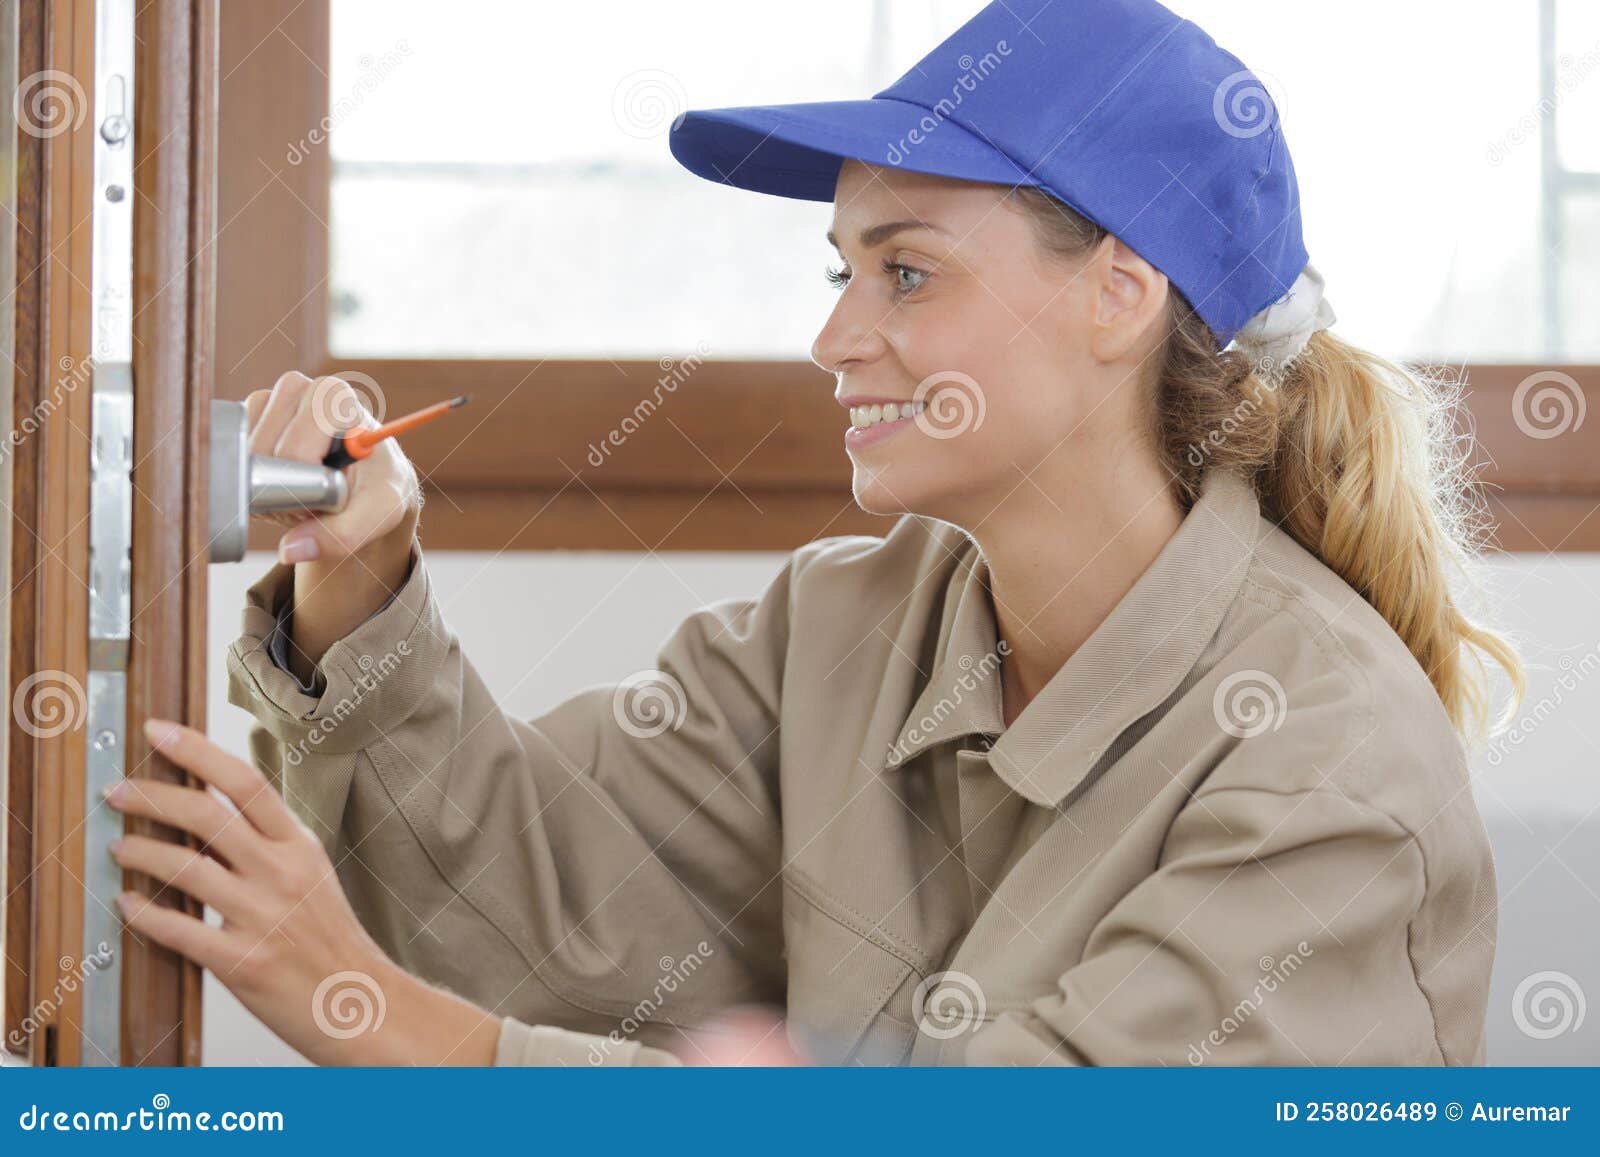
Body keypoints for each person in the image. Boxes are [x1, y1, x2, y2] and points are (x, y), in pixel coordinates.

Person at [112, 0, 1522, 1066]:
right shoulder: (840, 631)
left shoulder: (1331, 774)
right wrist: (358, 588)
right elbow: (532, 911)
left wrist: (385, 1023)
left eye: (907, 271)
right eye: (842, 271)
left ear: (1120, 293)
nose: (834, 338)